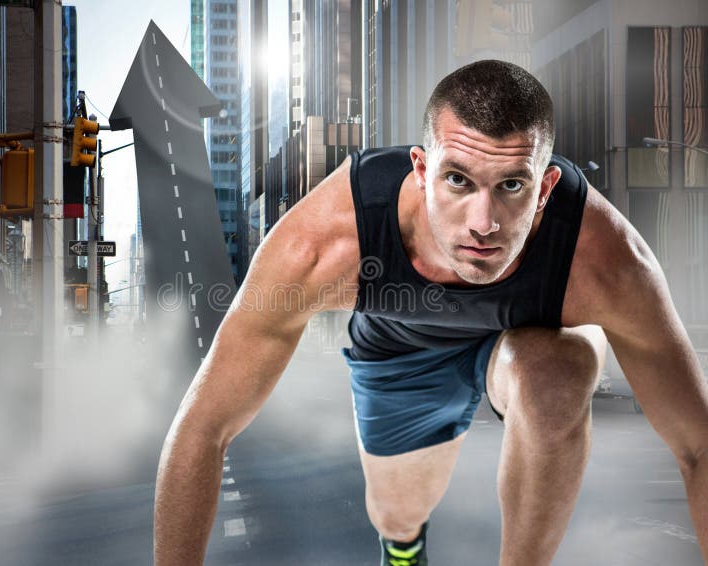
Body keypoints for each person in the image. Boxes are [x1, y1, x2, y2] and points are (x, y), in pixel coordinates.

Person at [153, 60, 708, 565]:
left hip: (526, 336)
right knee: (397, 513)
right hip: (400, 349)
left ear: (545, 190)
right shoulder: (326, 244)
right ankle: (402, 548)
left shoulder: (607, 263)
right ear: (421, 171)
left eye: (511, 185)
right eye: (459, 181)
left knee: (558, 377)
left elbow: (699, 446)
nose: (483, 223)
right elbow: (203, 429)